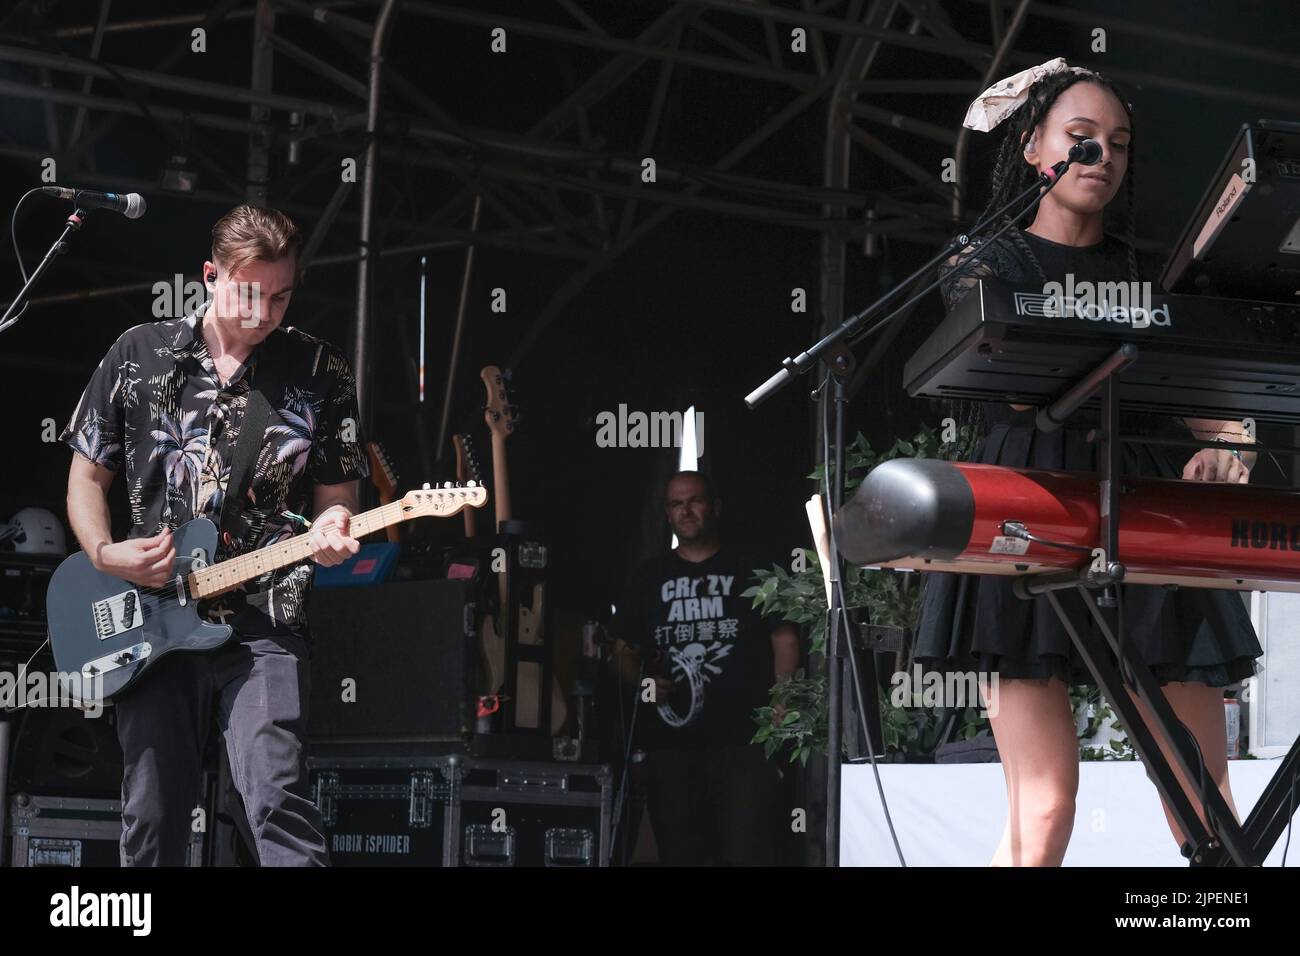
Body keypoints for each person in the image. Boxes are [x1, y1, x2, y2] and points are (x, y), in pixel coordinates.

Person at [914, 60, 1263, 866]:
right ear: (1036, 147)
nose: (1102, 156)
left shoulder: (1151, 274)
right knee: (1045, 806)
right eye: (1081, 139)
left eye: (1118, 144)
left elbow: (1210, 402)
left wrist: (1225, 443)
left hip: (1144, 514)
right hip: (1028, 507)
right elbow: (1011, 388)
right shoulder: (986, 262)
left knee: (1203, 804)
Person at [62, 204, 370, 866]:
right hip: (152, 620)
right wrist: (105, 552)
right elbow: (87, 479)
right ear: (211, 275)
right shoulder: (139, 353)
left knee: (275, 800)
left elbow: (337, 496)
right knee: (152, 816)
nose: (266, 314)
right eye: (251, 295)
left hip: (266, 621)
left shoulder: (321, 372)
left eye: (282, 296)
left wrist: (336, 528)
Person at [614, 470, 799, 866]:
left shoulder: (752, 566)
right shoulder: (648, 576)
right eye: (676, 504)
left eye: (694, 500)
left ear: (714, 507)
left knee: (748, 853)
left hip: (745, 743)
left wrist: (783, 701)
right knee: (680, 856)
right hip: (671, 748)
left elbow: (784, 637)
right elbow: (623, 649)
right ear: (667, 514)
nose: (686, 511)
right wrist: (644, 682)